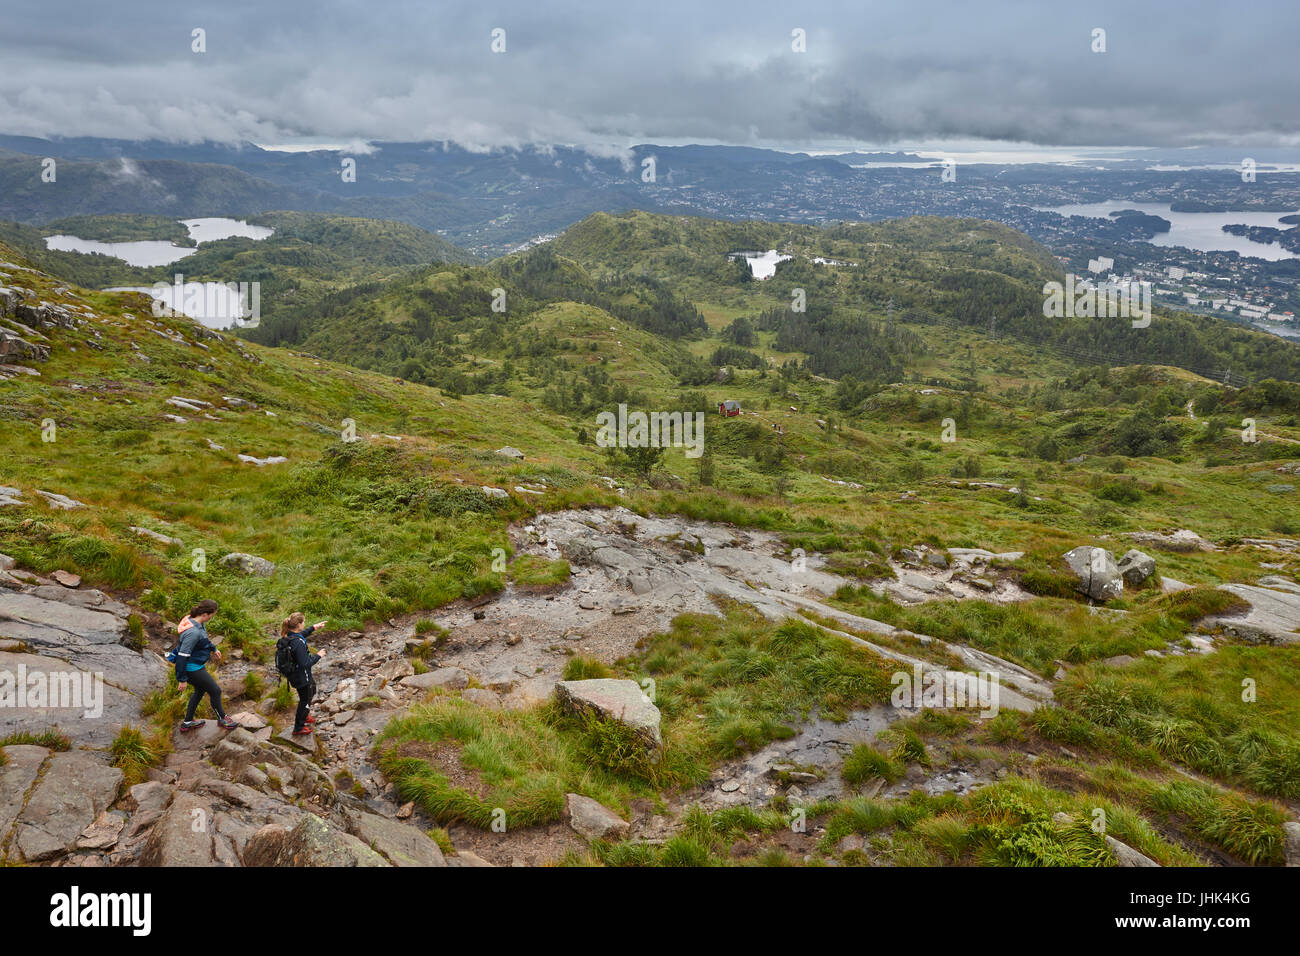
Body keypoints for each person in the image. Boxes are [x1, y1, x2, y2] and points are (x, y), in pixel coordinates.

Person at [175, 599, 237, 732]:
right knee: (215, 690)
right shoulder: (193, 632)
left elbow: (203, 640)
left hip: (196, 664)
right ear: (205, 614)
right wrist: (182, 679)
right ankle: (222, 719)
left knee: (200, 690)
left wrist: (213, 648)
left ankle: (187, 722)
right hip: (192, 668)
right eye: (211, 616)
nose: (211, 618)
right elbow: (182, 655)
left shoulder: (195, 620)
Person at [281, 612, 328, 735]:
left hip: (295, 674)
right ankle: (298, 727)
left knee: (312, 690)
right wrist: (318, 655)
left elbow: (301, 635)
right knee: (305, 699)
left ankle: (305, 714)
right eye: (304, 622)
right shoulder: (298, 643)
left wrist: (314, 627)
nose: (304, 624)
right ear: (299, 624)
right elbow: (305, 663)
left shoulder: (289, 636)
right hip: (301, 676)